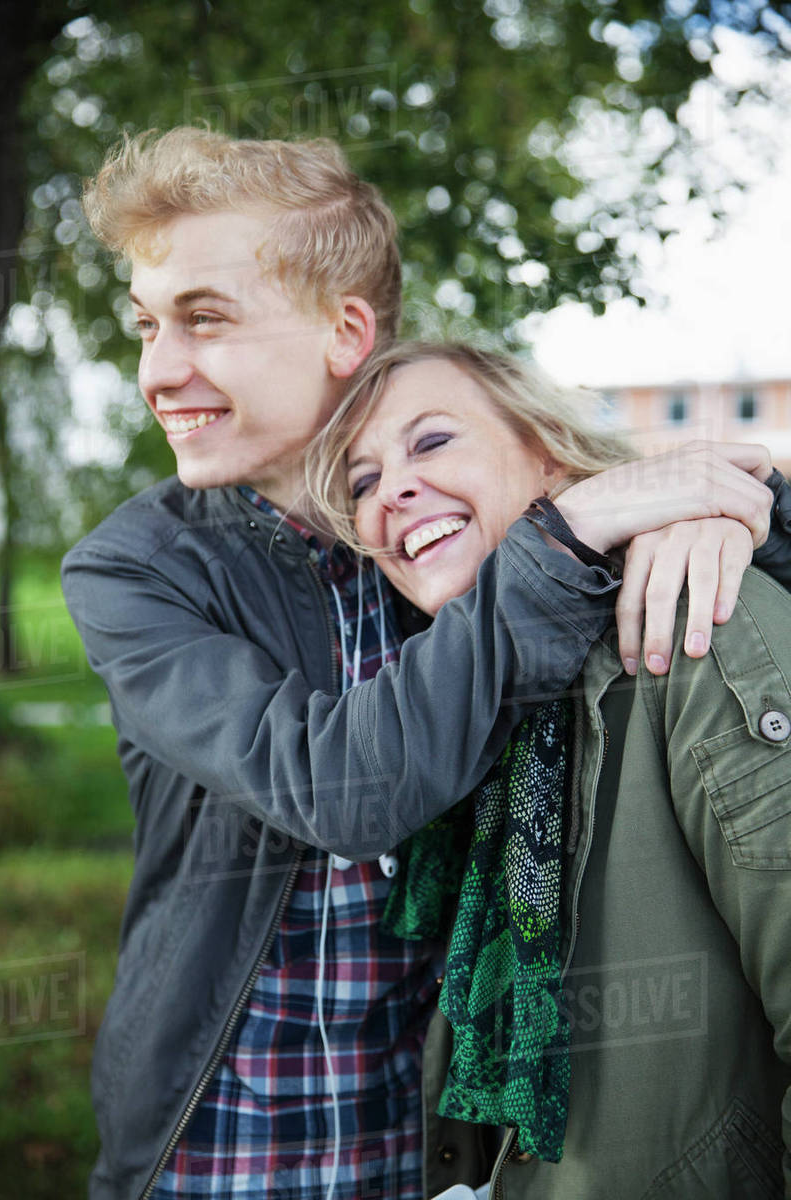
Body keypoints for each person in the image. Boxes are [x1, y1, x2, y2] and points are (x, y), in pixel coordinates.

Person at [63, 126, 784, 1200]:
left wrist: (739, 519)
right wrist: (572, 537)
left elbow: (606, 499)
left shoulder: (477, 532)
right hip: (221, 1148)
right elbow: (336, 786)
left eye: (201, 320)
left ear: (342, 328)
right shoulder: (138, 568)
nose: (157, 372)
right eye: (146, 327)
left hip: (434, 1148)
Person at [307, 340, 791, 1199]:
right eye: (363, 483)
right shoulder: (454, 720)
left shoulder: (695, 629)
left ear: (550, 450)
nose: (394, 492)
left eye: (429, 443)